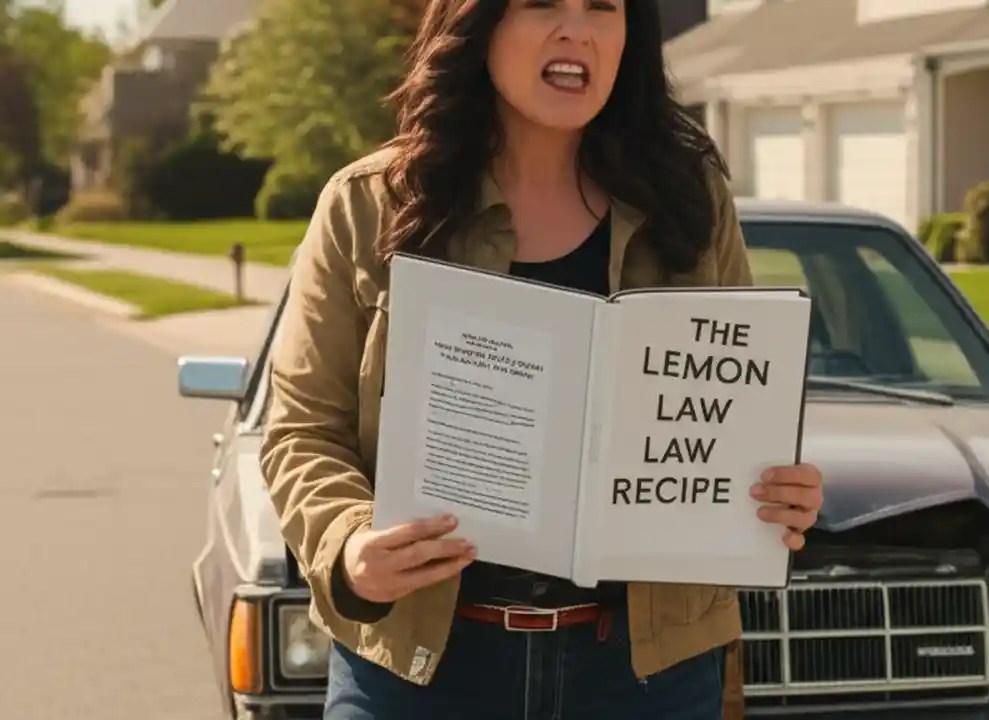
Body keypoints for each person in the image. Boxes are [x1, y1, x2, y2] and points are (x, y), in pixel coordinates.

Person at [258, 1, 825, 718]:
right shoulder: (367, 205)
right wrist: (350, 543)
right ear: (480, 24)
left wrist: (780, 492)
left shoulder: (694, 202)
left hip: (647, 675)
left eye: (603, 7)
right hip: (420, 669)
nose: (577, 31)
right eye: (541, 4)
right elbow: (301, 430)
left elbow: (733, 419)